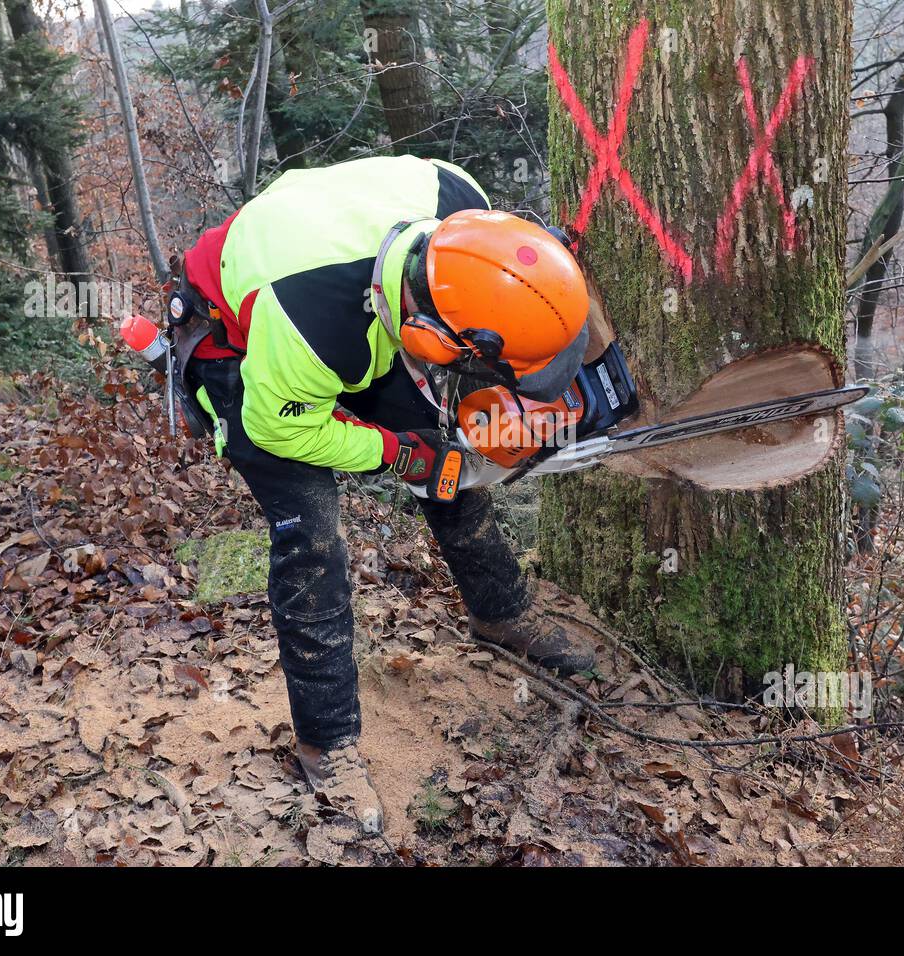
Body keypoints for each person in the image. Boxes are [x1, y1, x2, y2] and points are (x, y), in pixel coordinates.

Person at [171, 155, 598, 832]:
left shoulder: (463, 205)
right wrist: (396, 453)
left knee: (447, 458)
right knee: (310, 536)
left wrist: (450, 439)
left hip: (368, 308)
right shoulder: (310, 326)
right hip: (247, 352)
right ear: (428, 336)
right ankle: (327, 744)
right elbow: (280, 427)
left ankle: (501, 613)